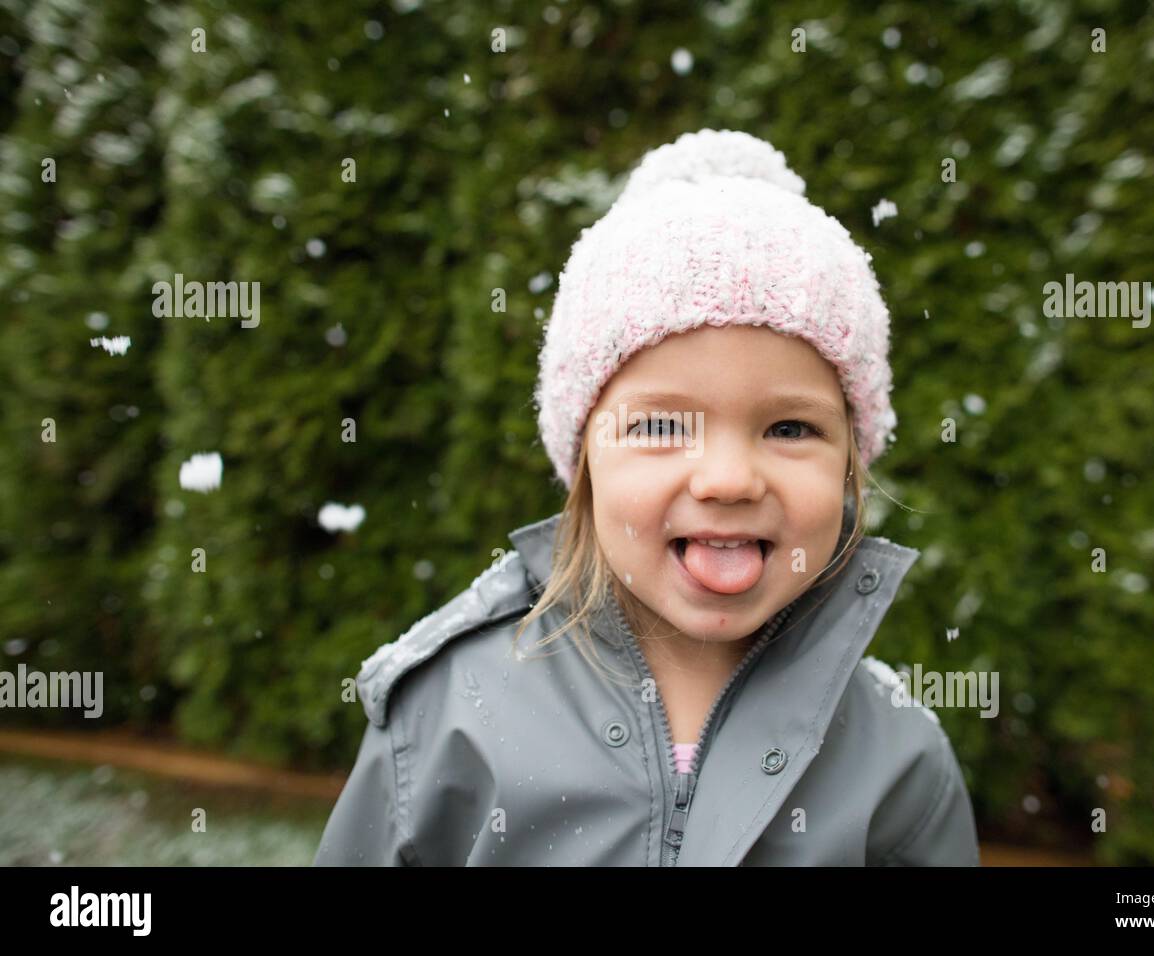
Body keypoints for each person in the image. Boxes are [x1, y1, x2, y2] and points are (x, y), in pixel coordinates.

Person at [314, 129, 980, 866]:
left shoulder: (897, 758)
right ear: (585, 457)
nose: (728, 480)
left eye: (790, 427)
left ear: (853, 464)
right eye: (665, 425)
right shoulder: (446, 718)